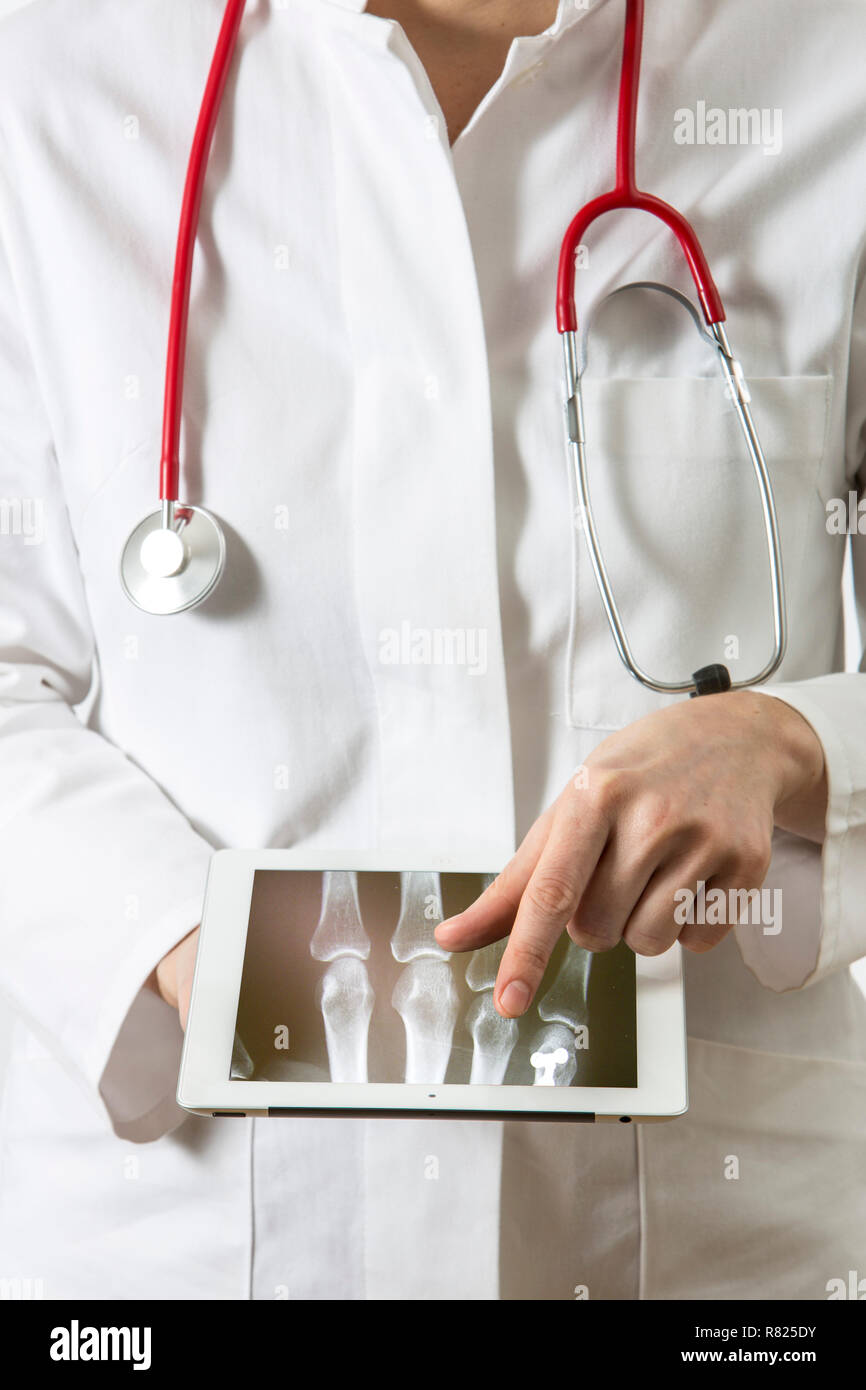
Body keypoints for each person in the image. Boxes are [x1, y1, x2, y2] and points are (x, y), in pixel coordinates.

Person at [0, 0, 865, 1302]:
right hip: (170, 1255)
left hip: (717, 1262)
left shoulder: (830, 58)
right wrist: (199, 946)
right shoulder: (50, 69)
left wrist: (793, 744)